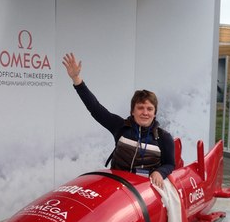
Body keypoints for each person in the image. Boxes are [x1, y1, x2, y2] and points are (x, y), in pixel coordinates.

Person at [62, 53, 175, 189]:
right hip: (118, 189)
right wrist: (76, 79)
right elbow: (95, 108)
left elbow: (170, 164)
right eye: (140, 108)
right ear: (132, 111)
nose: (145, 113)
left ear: (154, 113)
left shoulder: (164, 137)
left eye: (149, 109)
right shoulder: (120, 126)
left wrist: (159, 172)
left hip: (145, 191)